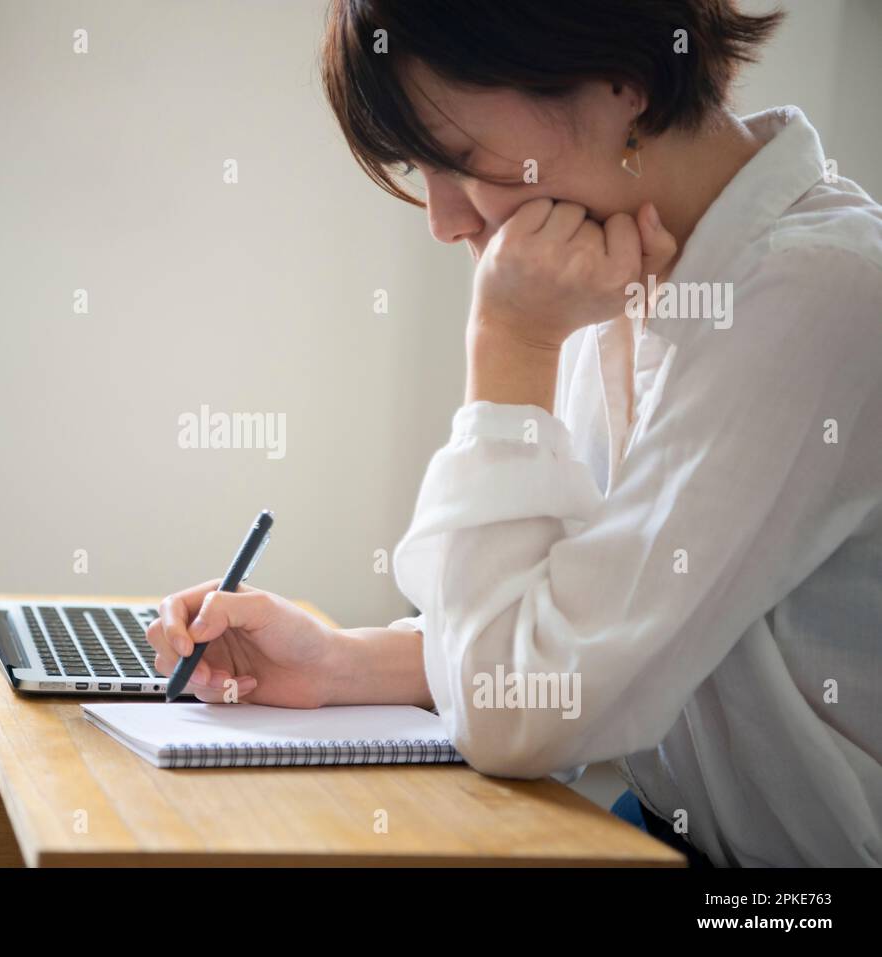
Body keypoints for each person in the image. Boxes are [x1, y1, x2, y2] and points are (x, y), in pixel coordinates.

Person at [144, 0, 882, 867]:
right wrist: (339, 663)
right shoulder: (612, 267)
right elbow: (580, 623)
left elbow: (519, 716)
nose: (444, 220)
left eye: (455, 160)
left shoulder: (817, 295)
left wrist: (510, 347)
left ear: (620, 82)